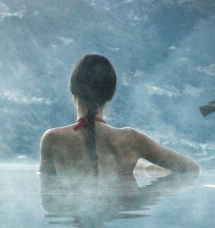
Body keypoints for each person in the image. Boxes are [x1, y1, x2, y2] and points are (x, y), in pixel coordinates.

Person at [38, 54, 200, 178]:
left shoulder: (53, 139)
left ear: (73, 92)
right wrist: (145, 197)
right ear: (110, 95)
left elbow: (49, 200)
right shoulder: (131, 141)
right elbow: (191, 169)